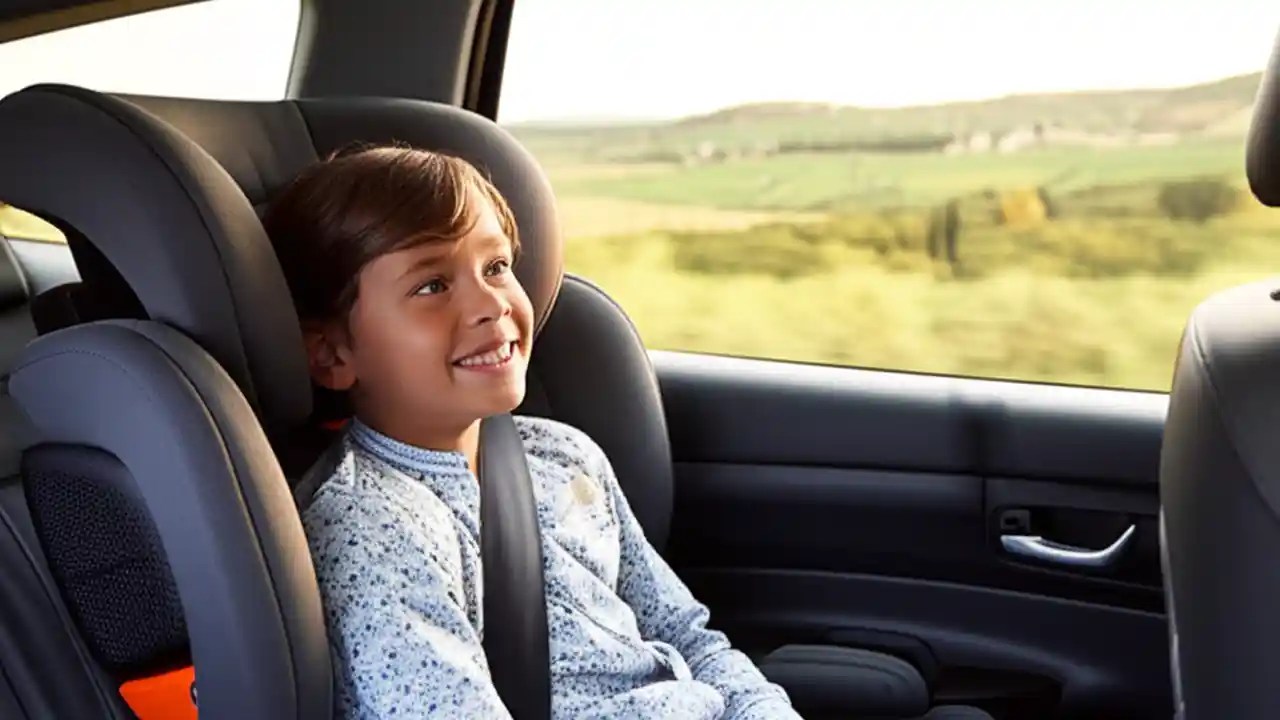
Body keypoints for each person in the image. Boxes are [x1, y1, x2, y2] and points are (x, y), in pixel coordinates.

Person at [262, 144, 802, 720]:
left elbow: (684, 633)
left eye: (495, 266)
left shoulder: (563, 453)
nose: (491, 304)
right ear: (331, 355)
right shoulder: (369, 530)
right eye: (432, 286)